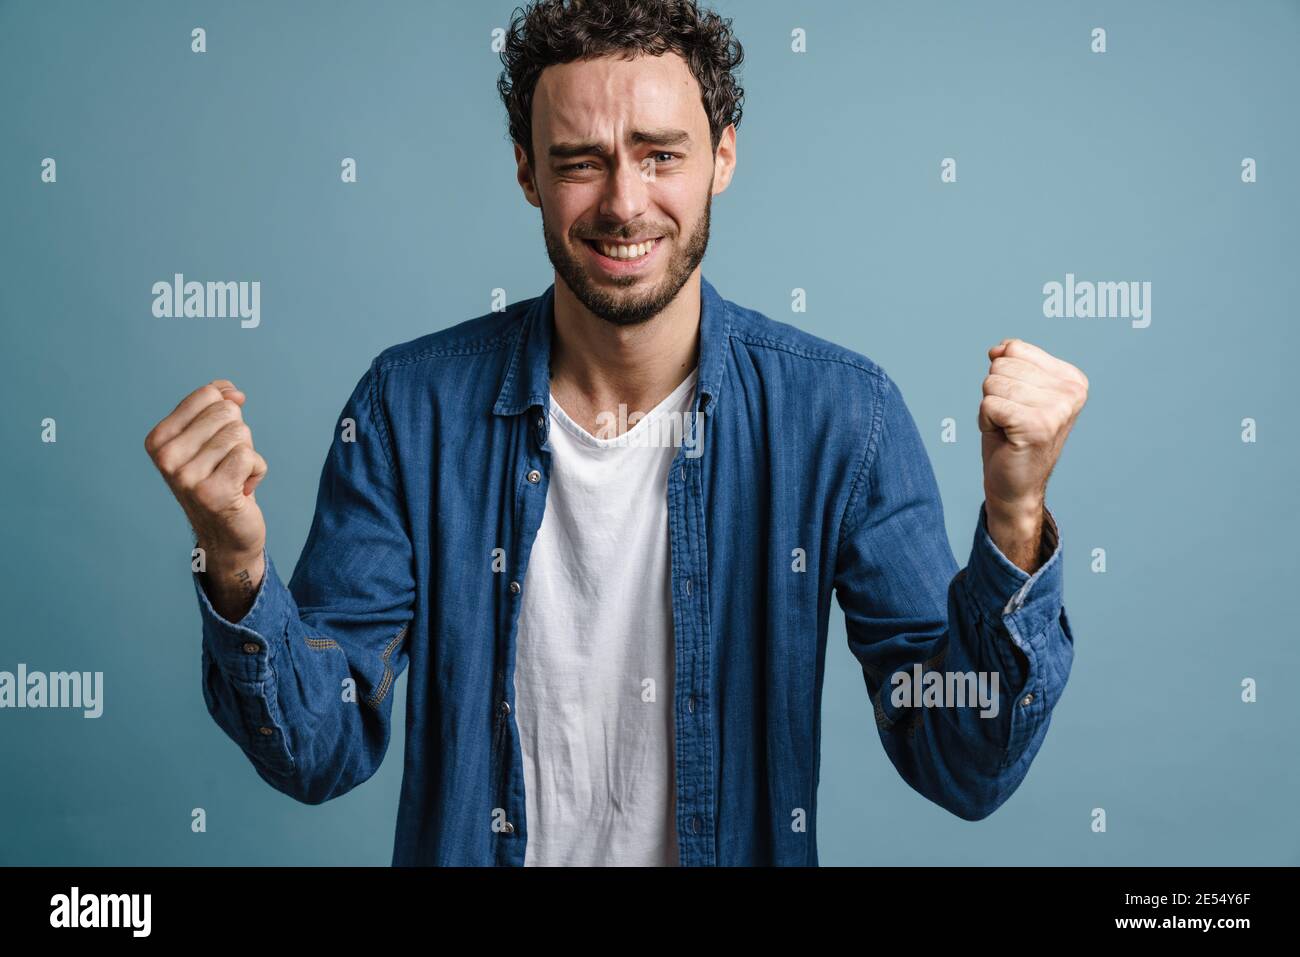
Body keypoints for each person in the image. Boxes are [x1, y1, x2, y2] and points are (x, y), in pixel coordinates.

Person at [143, 0, 1087, 866]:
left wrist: (1013, 516)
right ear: (527, 172)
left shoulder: (843, 417)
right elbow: (323, 746)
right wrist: (234, 563)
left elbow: (960, 761)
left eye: (660, 153)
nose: (624, 203)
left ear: (723, 156)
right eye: (581, 160)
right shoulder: (409, 406)